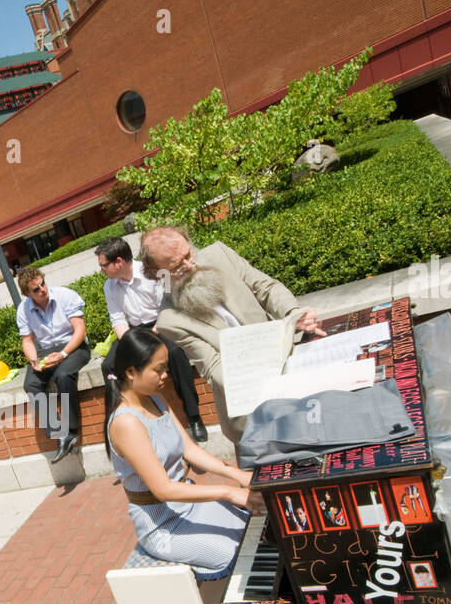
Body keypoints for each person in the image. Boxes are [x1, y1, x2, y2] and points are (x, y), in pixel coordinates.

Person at [104, 327, 265, 576]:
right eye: (158, 370)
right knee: (235, 551)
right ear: (131, 372)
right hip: (163, 525)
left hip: (186, 504)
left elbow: (188, 448)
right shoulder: (125, 422)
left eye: (165, 367)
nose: (165, 375)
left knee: (252, 521)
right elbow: (163, 489)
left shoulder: (155, 398)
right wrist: (229, 492)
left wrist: (237, 474)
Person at [142, 226, 326, 442]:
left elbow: (265, 288)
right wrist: (263, 374)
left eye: (189, 255)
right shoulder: (170, 320)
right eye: (177, 266)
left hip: (292, 376)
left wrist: (294, 313)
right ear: (158, 274)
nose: (190, 266)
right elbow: (213, 370)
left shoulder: (219, 254)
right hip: (252, 416)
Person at [96, 236, 207, 442]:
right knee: (109, 366)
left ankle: (194, 417)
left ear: (118, 262)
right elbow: (118, 318)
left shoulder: (155, 273)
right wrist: (130, 341)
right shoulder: (109, 287)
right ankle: (125, 420)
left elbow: (168, 306)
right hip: (134, 331)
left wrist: (154, 332)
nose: (101, 270)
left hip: (162, 323)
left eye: (104, 265)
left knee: (174, 353)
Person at [15, 268, 89, 463]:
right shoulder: (23, 309)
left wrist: (64, 353)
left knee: (63, 376)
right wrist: (33, 360)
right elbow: (28, 341)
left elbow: (80, 330)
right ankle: (59, 433)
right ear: (27, 293)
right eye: (36, 289)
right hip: (46, 351)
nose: (42, 290)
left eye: (42, 284)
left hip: (74, 346)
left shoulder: (65, 295)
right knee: (30, 383)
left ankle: (72, 430)